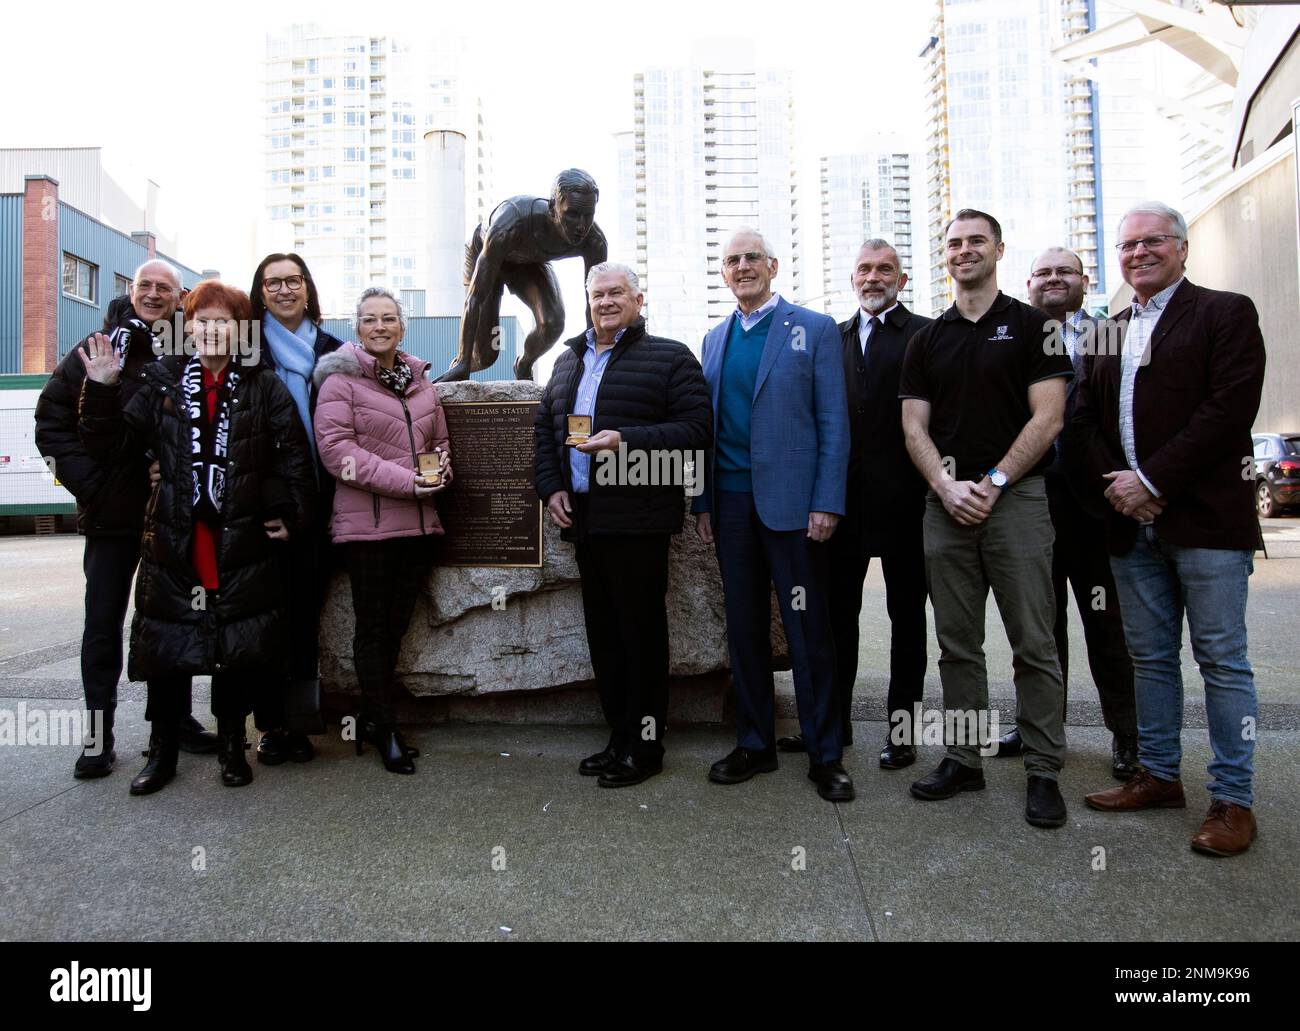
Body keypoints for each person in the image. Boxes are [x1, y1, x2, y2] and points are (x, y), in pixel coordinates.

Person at [1074, 202, 1266, 857]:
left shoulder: (1225, 312)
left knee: (1221, 661)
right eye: (1127, 245)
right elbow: (1083, 423)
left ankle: (1233, 800)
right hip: (1132, 529)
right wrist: (1124, 488)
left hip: (1207, 524)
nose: (1139, 253)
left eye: (1153, 241)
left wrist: (1151, 480)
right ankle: (1157, 775)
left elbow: (1228, 409)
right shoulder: (1108, 329)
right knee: (1150, 659)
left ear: (1182, 248)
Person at [77, 280, 315, 793]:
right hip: (175, 538)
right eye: (201, 320)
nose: (210, 329)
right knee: (167, 644)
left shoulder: (261, 382)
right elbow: (114, 445)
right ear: (189, 327)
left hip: (239, 539)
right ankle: (161, 752)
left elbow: (292, 452)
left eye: (221, 320)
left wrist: (293, 515)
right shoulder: (164, 380)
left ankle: (233, 746)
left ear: (240, 330)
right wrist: (100, 389)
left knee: (232, 647)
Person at [899, 209, 1073, 829]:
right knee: (957, 645)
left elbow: (1048, 417)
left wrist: (994, 481)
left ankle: (1044, 770)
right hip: (945, 506)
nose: (964, 251)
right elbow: (913, 425)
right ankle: (963, 759)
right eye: (953, 243)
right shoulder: (927, 338)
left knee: (1034, 641)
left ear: (1000, 248)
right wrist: (946, 485)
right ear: (943, 256)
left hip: (1017, 501)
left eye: (976, 241)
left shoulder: (1034, 327)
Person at [35, 260, 219, 779]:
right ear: (131, 291)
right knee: (102, 627)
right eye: (146, 286)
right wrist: (94, 486)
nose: (154, 295)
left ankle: (176, 721)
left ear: (178, 297)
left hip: (171, 516)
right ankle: (98, 737)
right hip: (113, 518)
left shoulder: (188, 354)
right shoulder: (97, 349)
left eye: (165, 288)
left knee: (173, 623)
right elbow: (50, 426)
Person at [534, 262, 711, 787]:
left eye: (616, 293)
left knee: (641, 637)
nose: (606, 302)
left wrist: (624, 440)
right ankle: (619, 737)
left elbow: (697, 430)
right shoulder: (567, 362)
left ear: (638, 298)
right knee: (605, 637)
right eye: (597, 294)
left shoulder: (671, 357)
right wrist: (553, 488)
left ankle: (647, 747)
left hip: (638, 523)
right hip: (586, 521)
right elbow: (546, 430)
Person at [693, 228, 853, 803]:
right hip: (732, 507)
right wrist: (703, 502)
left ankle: (825, 753)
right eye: (732, 260)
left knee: (809, 631)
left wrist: (826, 500)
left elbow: (833, 421)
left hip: (794, 510)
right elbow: (703, 432)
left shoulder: (813, 330)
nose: (742, 267)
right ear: (724, 273)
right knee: (744, 629)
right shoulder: (714, 340)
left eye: (751, 258)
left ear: (774, 265)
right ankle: (755, 743)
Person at [777, 239, 932, 770]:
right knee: (835, 619)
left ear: (901, 279)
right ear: (852, 278)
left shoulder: (924, 335)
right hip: (840, 506)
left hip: (908, 506)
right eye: (864, 268)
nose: (873, 277)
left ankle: (902, 731)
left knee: (907, 620)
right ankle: (831, 725)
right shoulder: (829, 338)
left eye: (884, 269)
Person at [990, 247, 1138, 779]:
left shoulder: (1109, 335)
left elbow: (1130, 411)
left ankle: (1128, 736)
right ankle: (1038, 729)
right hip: (1029, 501)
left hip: (1096, 506)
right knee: (1037, 629)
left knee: (1107, 626)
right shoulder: (1013, 335)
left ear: (1084, 280)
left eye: (1065, 272)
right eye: (1044, 272)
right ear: (1027, 282)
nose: (1054, 280)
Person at [313, 288, 451, 774]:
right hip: (367, 530)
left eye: (388, 319)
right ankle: (384, 726)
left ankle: (376, 717)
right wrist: (410, 483)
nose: (380, 327)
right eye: (370, 319)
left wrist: (441, 472)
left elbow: (438, 442)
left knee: (394, 628)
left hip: (417, 529)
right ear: (357, 327)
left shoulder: (420, 381)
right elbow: (337, 452)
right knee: (372, 630)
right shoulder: (339, 381)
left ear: (401, 326)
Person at [247, 253, 345, 766]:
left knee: (305, 616)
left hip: (322, 504)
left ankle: (300, 722)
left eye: (293, 280)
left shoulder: (335, 351)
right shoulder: (248, 351)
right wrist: (273, 503)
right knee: (266, 618)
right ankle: (269, 724)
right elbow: (243, 439)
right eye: (273, 283)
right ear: (260, 292)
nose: (284, 290)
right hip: (266, 509)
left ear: (307, 288)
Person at [440, 168, 608, 381]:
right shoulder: (510, 223)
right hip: (488, 253)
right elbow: (475, 297)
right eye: (572, 214)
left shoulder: (594, 242)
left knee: (552, 323)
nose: (581, 226)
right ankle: (458, 365)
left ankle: (524, 364)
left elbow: (592, 306)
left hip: (528, 261)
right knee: (485, 357)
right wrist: (463, 361)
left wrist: (594, 358)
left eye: (588, 215)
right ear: (552, 207)